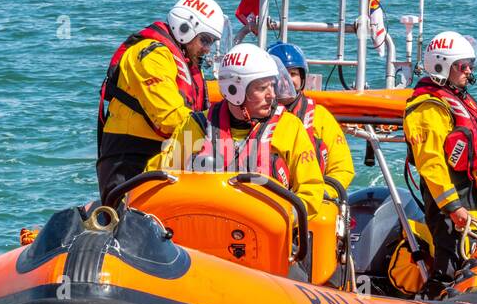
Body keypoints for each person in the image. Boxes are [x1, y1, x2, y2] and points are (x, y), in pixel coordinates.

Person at [152, 43, 325, 221]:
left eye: (272, 86)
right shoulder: (196, 126)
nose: (271, 95)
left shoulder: (289, 127)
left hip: (266, 231)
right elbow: (158, 176)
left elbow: (311, 189)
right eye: (261, 88)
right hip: (204, 229)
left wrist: (285, 218)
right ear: (234, 90)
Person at [403, 31, 477, 298]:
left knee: (464, 259)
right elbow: (431, 163)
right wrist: (453, 207)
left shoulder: (457, 97)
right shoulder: (429, 108)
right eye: (463, 66)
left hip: (468, 197)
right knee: (447, 265)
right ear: (441, 65)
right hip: (449, 204)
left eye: (470, 64)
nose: (469, 70)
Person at [97, 0, 225, 203]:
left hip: (164, 156)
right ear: (185, 29)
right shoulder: (150, 56)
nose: (207, 48)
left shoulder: (187, 62)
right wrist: (216, 127)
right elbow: (169, 118)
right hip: (130, 159)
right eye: (205, 40)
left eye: (210, 42)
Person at [267, 42, 355, 191]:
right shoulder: (258, 115)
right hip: (271, 199)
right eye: (280, 74)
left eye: (292, 74)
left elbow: (342, 168)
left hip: (317, 199)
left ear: (302, 78)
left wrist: (324, 195)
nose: (286, 80)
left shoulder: (320, 117)